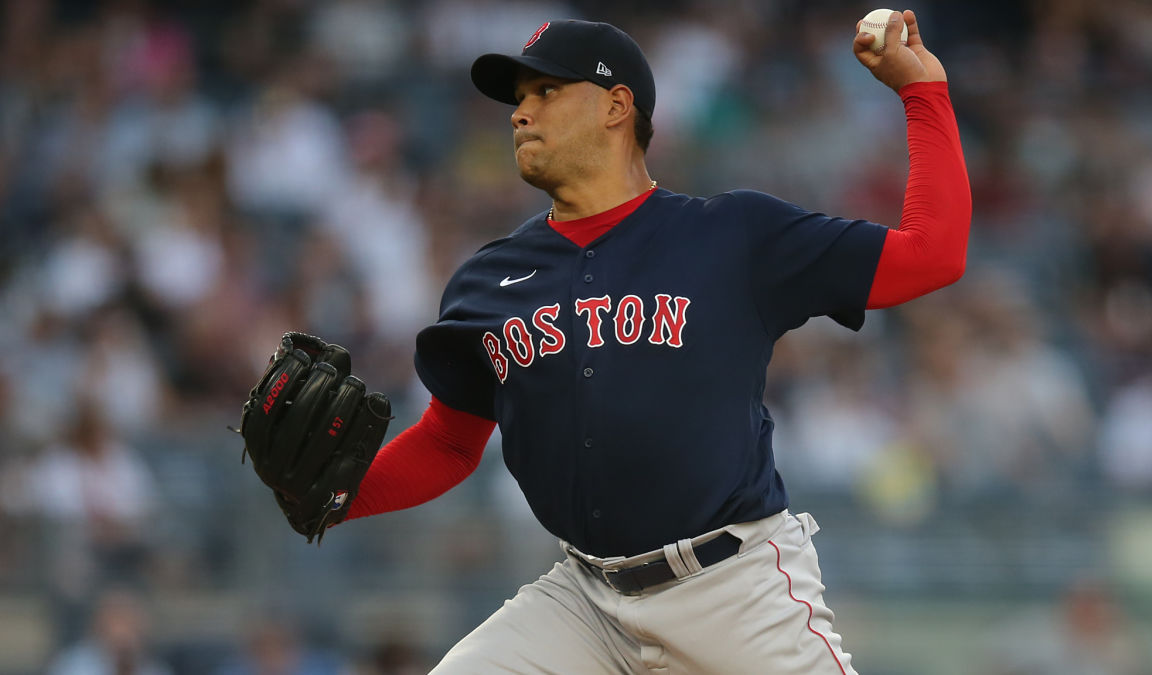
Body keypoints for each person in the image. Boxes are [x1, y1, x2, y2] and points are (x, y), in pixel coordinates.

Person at [341, 12, 970, 673]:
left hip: (732, 591)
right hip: (584, 602)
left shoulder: (733, 236)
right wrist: (334, 495)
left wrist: (922, 94)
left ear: (617, 106)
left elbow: (933, 254)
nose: (521, 114)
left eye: (545, 91)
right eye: (518, 99)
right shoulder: (487, 280)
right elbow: (447, 441)